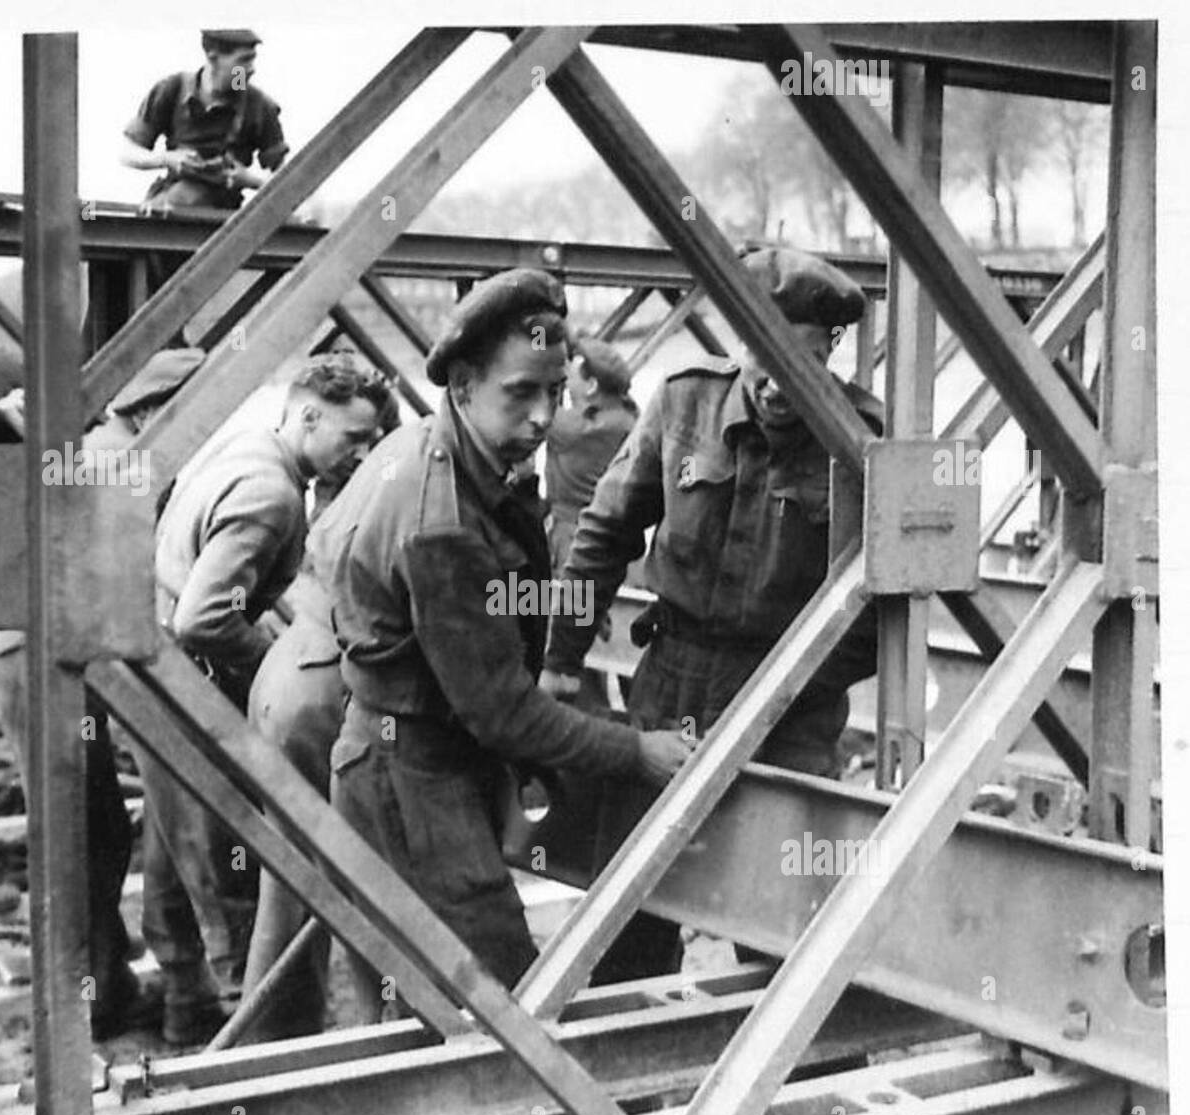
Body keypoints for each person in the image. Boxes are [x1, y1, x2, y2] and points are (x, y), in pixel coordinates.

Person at [327, 267, 693, 997]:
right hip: (412, 775)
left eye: (554, 392)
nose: (541, 416)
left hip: (427, 756)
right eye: (519, 392)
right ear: (462, 386)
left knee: (422, 999)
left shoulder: (441, 455)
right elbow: (500, 711)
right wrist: (635, 751)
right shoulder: (442, 523)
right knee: (493, 998)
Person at [541, 247, 882, 985]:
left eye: (808, 359)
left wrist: (806, 679)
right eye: (763, 356)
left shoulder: (862, 440)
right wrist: (562, 661)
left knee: (789, 927)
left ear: (834, 352)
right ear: (737, 340)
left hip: (792, 702)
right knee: (630, 910)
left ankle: (811, 1082)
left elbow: (886, 605)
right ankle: (616, 1071)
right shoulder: (683, 402)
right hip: (675, 684)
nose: (780, 384)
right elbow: (603, 532)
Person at [142, 353, 391, 1044]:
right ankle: (251, 1059)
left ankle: (186, 1012)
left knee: (175, 856)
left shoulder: (246, 449)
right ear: (308, 416)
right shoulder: (272, 493)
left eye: (373, 440)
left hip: (155, 676)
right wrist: (280, 657)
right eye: (353, 436)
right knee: (234, 877)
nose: (363, 451)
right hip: (190, 685)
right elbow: (204, 617)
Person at [0, 345, 205, 1040]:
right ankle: (87, 996)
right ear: (148, 410)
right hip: (36, 660)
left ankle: (102, 985)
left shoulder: (108, 451)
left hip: (44, 655)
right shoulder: (113, 457)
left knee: (95, 826)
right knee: (81, 832)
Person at [238, 380, 401, 1042]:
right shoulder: (389, 493)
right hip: (321, 701)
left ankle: (274, 1040)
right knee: (367, 876)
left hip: (286, 685)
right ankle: (375, 1037)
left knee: (293, 875)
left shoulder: (329, 489)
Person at [122, 29, 288, 213]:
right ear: (213, 58)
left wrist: (249, 179)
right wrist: (168, 159)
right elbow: (128, 153)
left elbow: (288, 178)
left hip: (225, 216)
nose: (251, 69)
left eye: (253, 59)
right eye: (243, 61)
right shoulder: (172, 89)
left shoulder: (259, 105)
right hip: (169, 205)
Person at [544, 333, 638, 574]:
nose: (566, 376)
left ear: (592, 385)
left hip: (575, 536)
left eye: (572, 371)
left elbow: (534, 411)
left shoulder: (582, 429)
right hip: (609, 535)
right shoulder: (627, 418)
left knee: (569, 605)